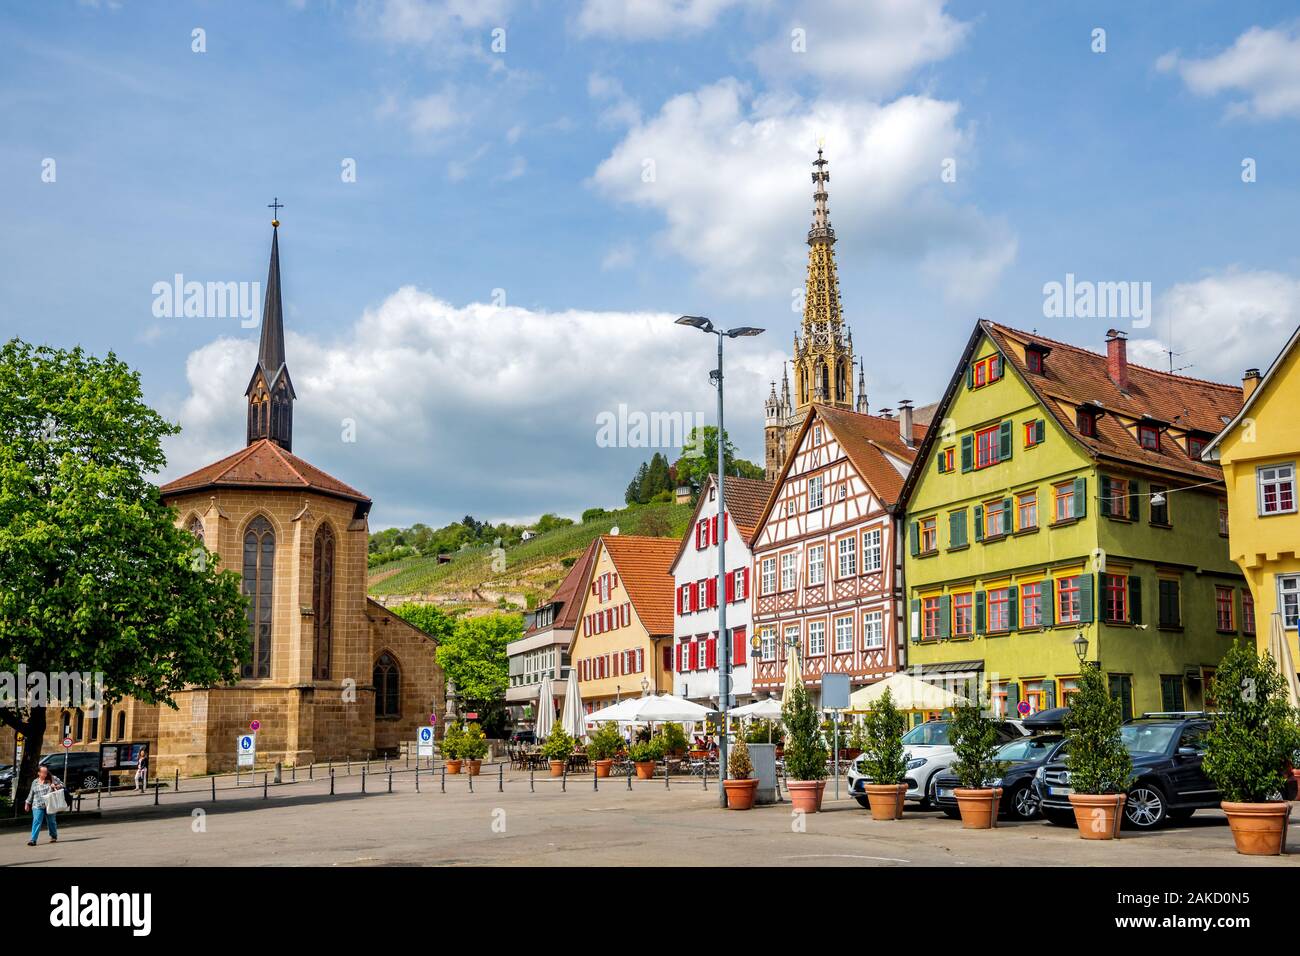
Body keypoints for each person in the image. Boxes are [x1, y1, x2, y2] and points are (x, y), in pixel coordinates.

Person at [25, 765, 64, 846]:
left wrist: (56, 786)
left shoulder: (52, 778)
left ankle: (53, 836)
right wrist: (27, 803)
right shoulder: (35, 782)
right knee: (37, 821)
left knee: (51, 822)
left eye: (46, 772)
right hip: (37, 805)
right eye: (43, 772)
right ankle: (33, 840)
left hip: (50, 804)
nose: (45, 774)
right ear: (39, 773)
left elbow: (62, 785)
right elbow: (31, 793)